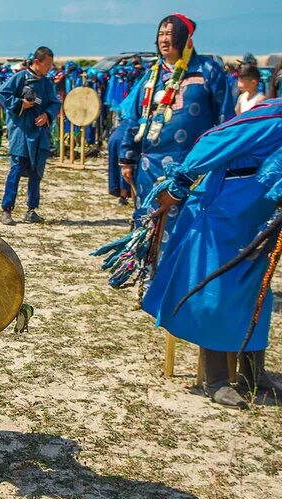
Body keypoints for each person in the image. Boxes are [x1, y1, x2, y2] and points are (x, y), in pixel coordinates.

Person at [142, 98, 282, 408]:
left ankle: (253, 375)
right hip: (222, 216)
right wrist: (181, 180)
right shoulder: (271, 118)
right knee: (216, 294)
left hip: (259, 221)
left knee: (256, 294)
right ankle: (216, 379)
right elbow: (212, 140)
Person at [119, 14, 231, 234]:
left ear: (186, 38)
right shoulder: (152, 76)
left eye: (170, 34)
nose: (164, 39)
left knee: (187, 226)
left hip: (192, 168)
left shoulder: (208, 71)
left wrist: (221, 161)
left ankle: (181, 268)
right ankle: (149, 268)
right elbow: (134, 118)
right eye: (160, 34)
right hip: (149, 167)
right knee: (149, 227)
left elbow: (224, 118)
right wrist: (126, 158)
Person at [0, 46, 62, 225]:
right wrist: (20, 104)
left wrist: (47, 115)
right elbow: (0, 94)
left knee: (36, 173)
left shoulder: (47, 84)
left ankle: (32, 209)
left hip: (40, 135)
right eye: (47, 64)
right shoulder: (20, 78)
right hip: (22, 134)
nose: (49, 68)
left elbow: (55, 103)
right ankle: (7, 210)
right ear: (37, 62)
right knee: (16, 170)